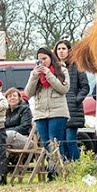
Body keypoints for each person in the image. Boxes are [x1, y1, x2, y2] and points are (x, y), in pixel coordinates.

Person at [26, 46, 70, 178]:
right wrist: (34, 76)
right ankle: (52, 169)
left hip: (57, 112)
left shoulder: (61, 70)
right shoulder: (35, 74)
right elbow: (28, 93)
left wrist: (48, 74)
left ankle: (57, 172)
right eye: (39, 60)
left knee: (55, 142)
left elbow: (63, 89)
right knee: (46, 144)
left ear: (51, 58)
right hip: (40, 113)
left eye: (44, 58)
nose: (42, 62)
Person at [57, 39, 90, 162]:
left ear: (69, 50)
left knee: (70, 140)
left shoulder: (76, 66)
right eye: (59, 49)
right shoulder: (55, 67)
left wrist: (76, 100)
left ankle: (75, 165)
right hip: (58, 109)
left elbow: (85, 87)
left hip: (73, 110)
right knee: (61, 142)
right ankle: (64, 166)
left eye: (63, 48)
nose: (61, 51)